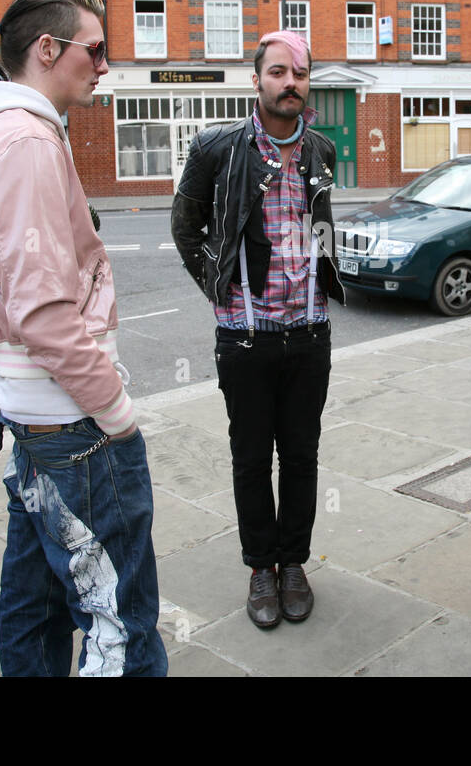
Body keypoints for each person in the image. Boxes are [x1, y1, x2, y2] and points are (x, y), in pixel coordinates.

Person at [0, 0, 166, 677]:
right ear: (47, 49)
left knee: (34, 605)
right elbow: (42, 312)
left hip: (31, 418)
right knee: (119, 621)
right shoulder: (26, 141)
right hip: (73, 423)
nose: (104, 65)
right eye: (94, 50)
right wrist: (115, 411)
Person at [170, 31, 343, 629]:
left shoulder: (320, 148)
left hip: (310, 332)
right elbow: (185, 227)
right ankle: (260, 568)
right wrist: (220, 292)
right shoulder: (218, 148)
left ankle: (293, 563)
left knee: (301, 456)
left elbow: (321, 226)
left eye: (300, 73)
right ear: (257, 80)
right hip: (246, 337)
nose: (290, 82)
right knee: (250, 458)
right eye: (277, 72)